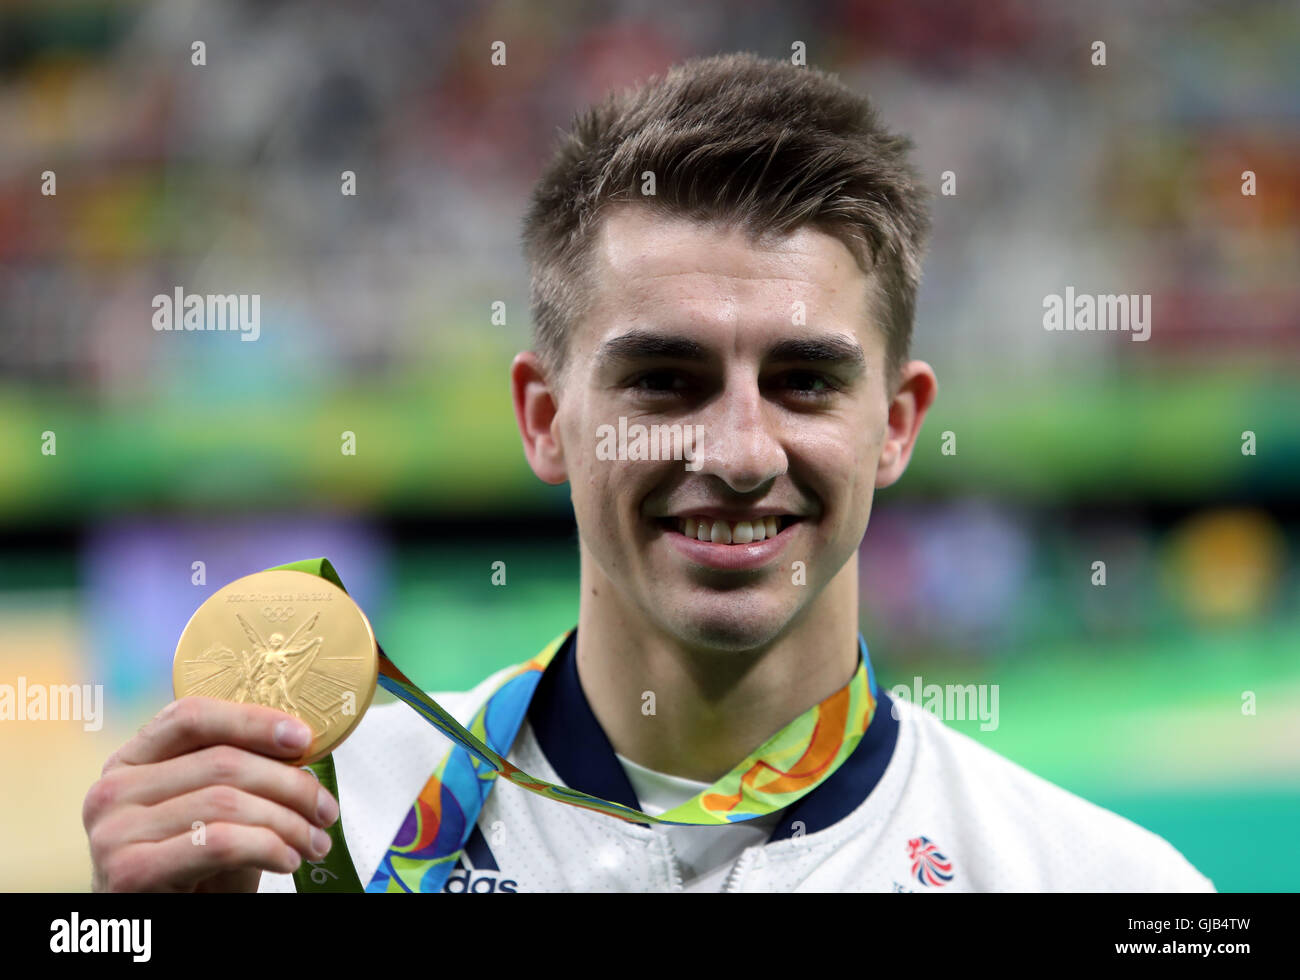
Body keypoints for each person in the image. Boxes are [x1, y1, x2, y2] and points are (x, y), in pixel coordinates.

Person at [83, 53, 1214, 893]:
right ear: (543, 418)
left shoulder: (1109, 885)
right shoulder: (298, 835)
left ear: (897, 423)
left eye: (805, 381)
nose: (735, 453)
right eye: (662, 381)